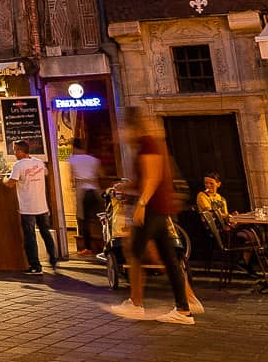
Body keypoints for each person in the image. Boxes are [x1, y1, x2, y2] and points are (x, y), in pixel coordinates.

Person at [106, 108, 196, 324]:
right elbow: (147, 177)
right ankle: (185, 306)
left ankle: (137, 304)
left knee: (134, 252)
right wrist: (128, 187)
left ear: (131, 127)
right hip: (158, 208)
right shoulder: (147, 144)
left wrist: (142, 203)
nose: (121, 134)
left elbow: (153, 176)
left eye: (122, 129)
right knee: (167, 258)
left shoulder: (147, 144)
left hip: (153, 208)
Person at [4, 139, 58, 273]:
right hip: (42, 205)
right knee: (45, 233)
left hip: (27, 206)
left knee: (30, 237)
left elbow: (10, 184)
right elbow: (46, 173)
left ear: (21, 151)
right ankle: (53, 259)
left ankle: (35, 266)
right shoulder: (39, 163)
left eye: (15, 150)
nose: (14, 152)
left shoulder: (19, 165)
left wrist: (4, 179)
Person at [67, 142, 103, 257]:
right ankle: (105, 244)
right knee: (101, 219)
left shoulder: (72, 160)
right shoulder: (94, 159)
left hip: (82, 192)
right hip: (95, 190)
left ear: (74, 148)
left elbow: (71, 178)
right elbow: (101, 173)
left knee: (84, 221)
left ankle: (88, 248)